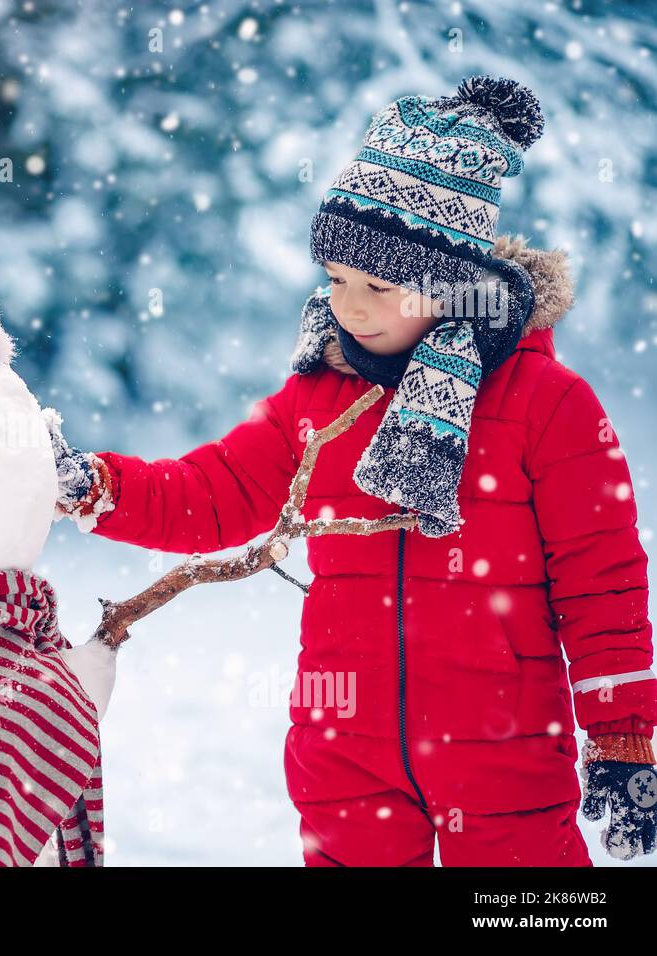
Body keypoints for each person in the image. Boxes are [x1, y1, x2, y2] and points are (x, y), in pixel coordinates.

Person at [50, 76, 657, 866]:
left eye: (379, 286)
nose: (352, 307)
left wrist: (620, 732)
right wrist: (96, 486)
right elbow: (214, 490)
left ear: (448, 288)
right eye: (337, 280)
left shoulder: (546, 403)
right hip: (345, 748)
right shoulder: (322, 394)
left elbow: (601, 578)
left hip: (503, 750)